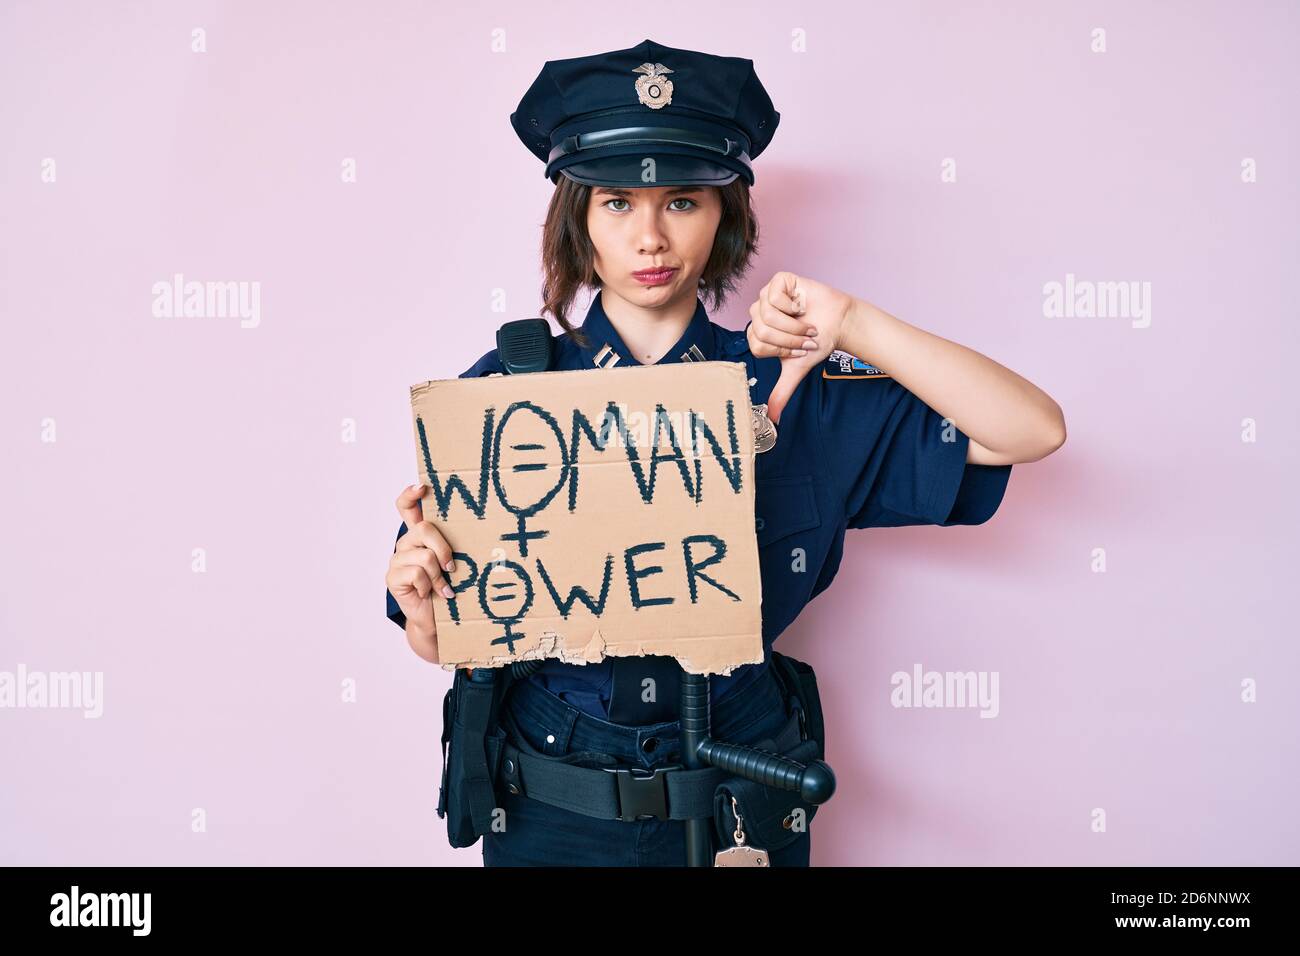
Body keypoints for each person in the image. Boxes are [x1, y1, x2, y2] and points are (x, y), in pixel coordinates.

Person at [384, 38, 1066, 867]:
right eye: (615, 203)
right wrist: (424, 604)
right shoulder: (508, 395)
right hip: (550, 802)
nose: (649, 238)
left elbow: (1032, 430)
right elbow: (441, 640)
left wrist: (854, 323)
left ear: (725, 215)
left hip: (738, 793)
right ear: (578, 221)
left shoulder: (792, 387)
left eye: (681, 202)